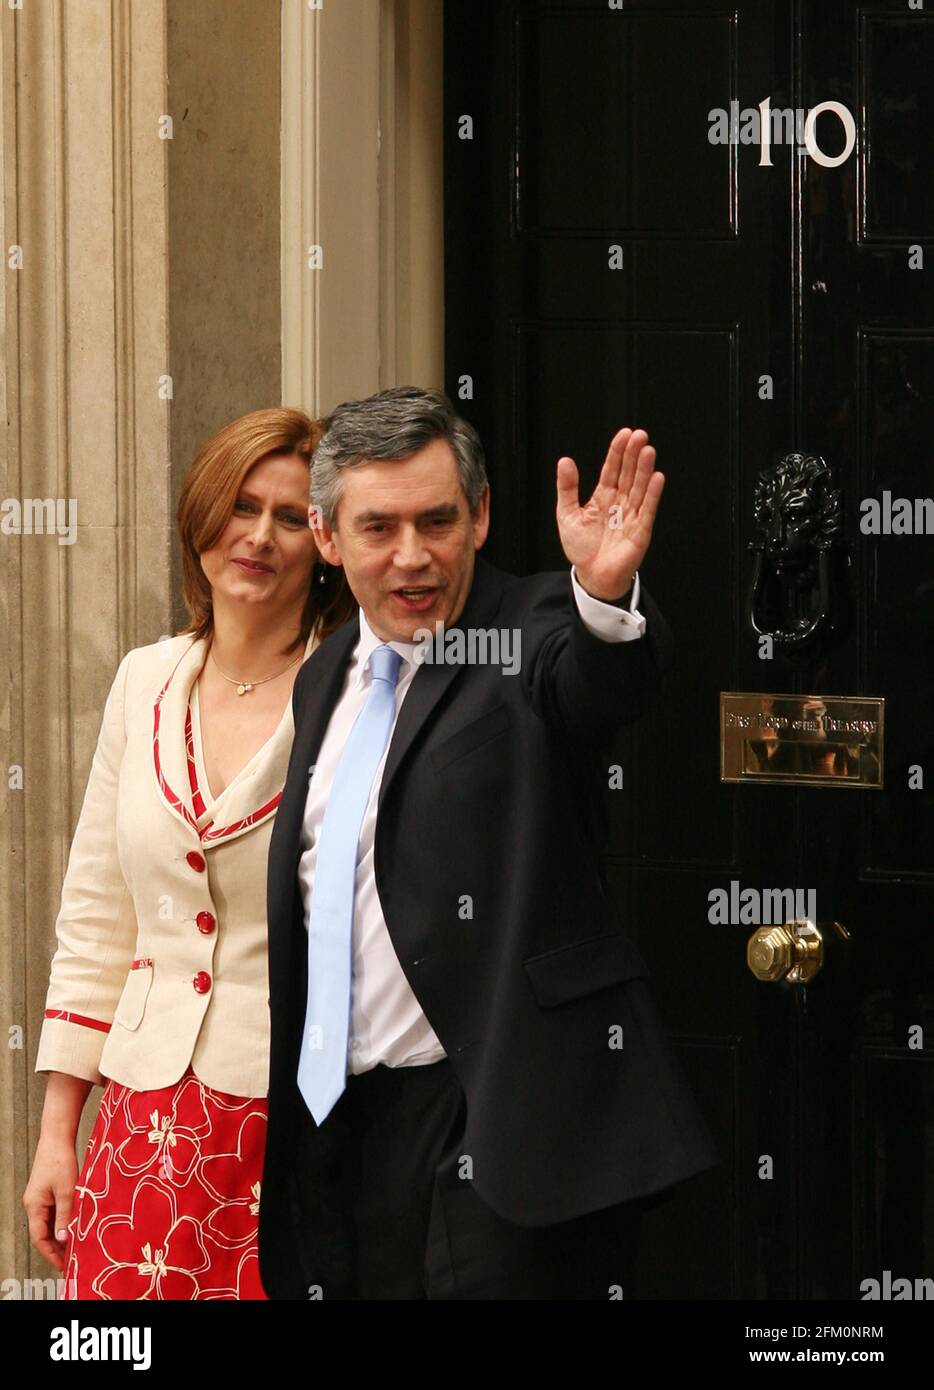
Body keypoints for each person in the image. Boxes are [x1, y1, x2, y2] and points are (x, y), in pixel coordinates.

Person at [258, 385, 719, 1300]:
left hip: (500, 1123)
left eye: (437, 520)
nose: (413, 555)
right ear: (325, 537)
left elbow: (593, 685)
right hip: (344, 1129)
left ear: (481, 515)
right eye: (378, 527)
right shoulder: (322, 678)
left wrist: (603, 591)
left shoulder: (531, 628)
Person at [24, 407, 354, 1300]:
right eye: (242, 506)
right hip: (138, 1123)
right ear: (201, 519)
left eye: (292, 518)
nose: (260, 536)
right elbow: (96, 919)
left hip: (293, 1120)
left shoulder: (359, 692)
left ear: (326, 544)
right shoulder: (143, 680)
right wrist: (59, 1133)